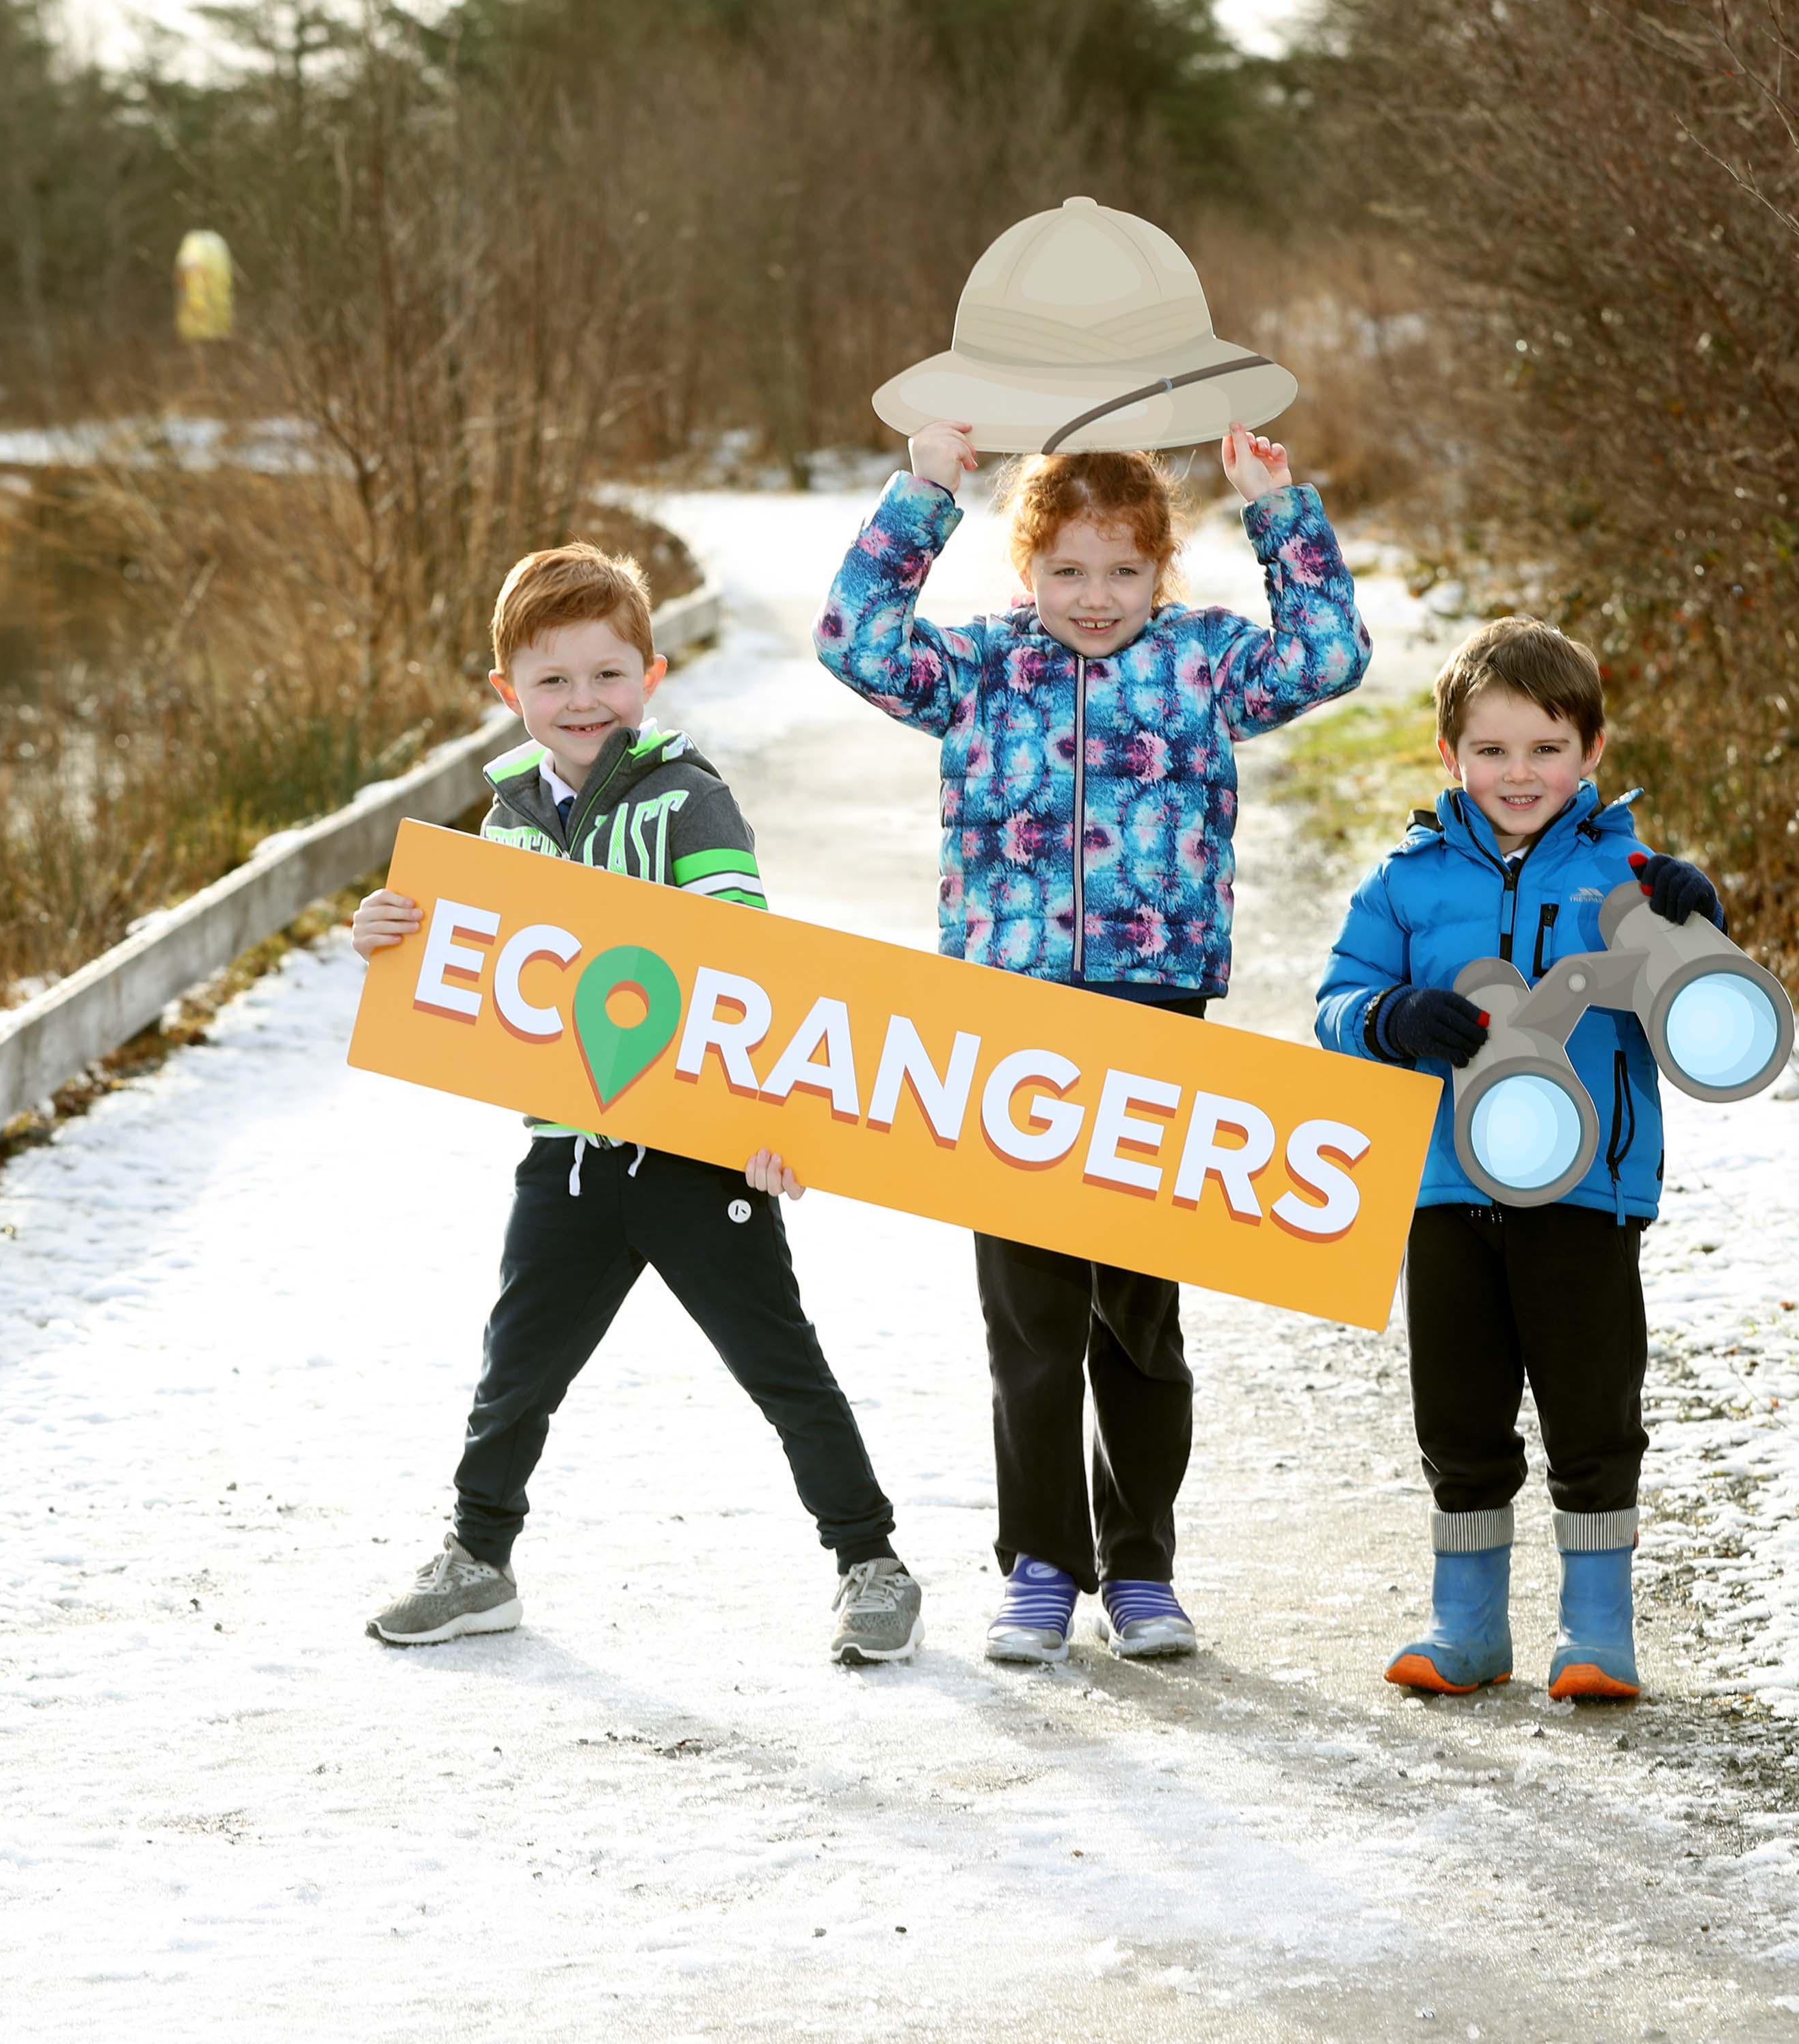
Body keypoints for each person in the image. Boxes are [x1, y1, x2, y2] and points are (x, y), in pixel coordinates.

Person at [815, 421, 1371, 1664]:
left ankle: (1141, 1569)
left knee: (1139, 1319)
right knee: (1030, 1326)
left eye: (1123, 572)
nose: (1096, 599)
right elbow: (851, 638)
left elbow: (1330, 653)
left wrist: (1279, 511)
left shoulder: (1206, 663)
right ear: (1026, 573)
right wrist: (924, 491)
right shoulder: (978, 671)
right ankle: (1041, 1566)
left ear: (1162, 569)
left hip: (1154, 1009)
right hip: (1007, 1023)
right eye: (1067, 572)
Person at [352, 542, 921, 1666]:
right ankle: (478, 1560)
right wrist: (388, 940)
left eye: (607, 674)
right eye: (552, 681)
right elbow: (484, 978)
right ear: (507, 694)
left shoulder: (687, 803)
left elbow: (747, 976)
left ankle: (872, 1561)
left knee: (780, 1363)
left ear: (651, 676)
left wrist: (774, 1124)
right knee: (514, 1370)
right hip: (565, 1157)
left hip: (696, 1156)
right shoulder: (506, 818)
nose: (582, 702)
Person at [1314, 617, 1724, 1701]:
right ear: (1449, 757)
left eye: (1546, 748)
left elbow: (1701, 986)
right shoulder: (1407, 881)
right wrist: (1392, 1014)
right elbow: (1335, 1006)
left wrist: (1698, 905)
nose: (1518, 773)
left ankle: (1597, 1631)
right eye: (1491, 750)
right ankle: (1468, 1625)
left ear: (1592, 751)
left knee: (1591, 1406)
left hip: (1585, 1194)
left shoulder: (1625, 870)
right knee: (1459, 1408)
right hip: (1446, 1187)